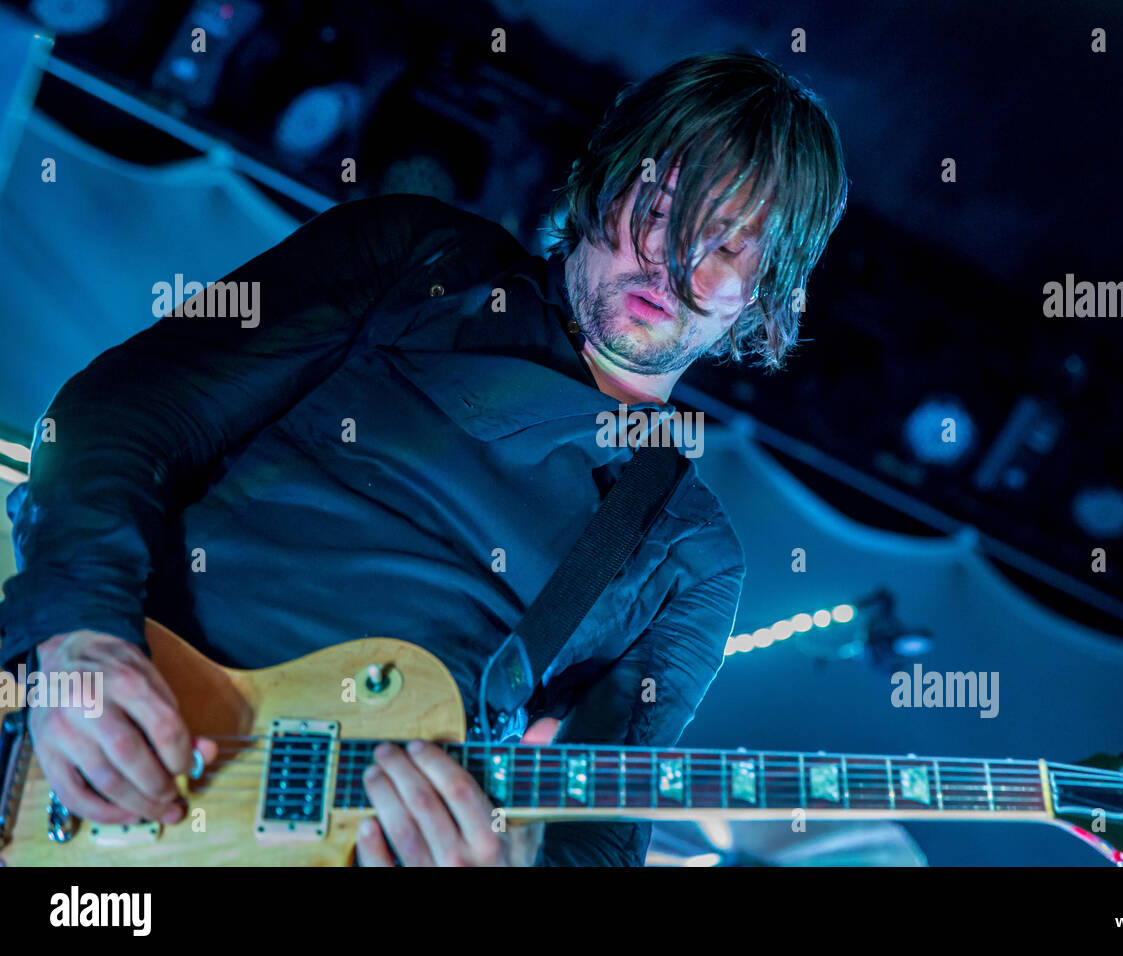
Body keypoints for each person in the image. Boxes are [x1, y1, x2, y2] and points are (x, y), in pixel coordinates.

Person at [0, 50, 847, 866]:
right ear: (607, 175)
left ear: (766, 297)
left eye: (728, 243)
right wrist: (80, 638)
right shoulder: (414, 256)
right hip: (74, 733)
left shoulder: (688, 551)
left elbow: (597, 838)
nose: (671, 259)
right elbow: (118, 415)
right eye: (659, 206)